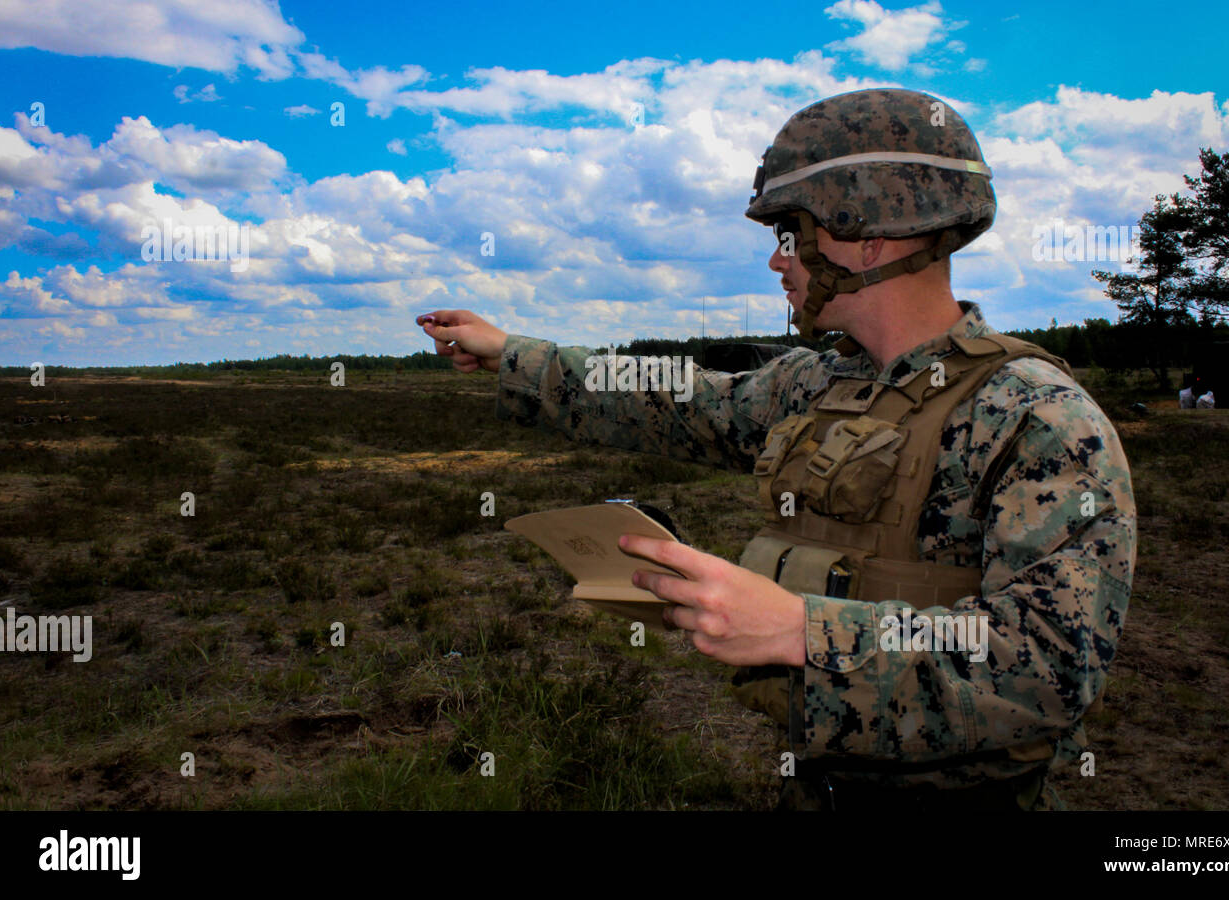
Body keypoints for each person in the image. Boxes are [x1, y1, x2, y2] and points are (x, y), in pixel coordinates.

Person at [418, 89, 1137, 811]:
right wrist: (514, 354)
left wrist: (800, 630)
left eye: (789, 236)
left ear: (865, 234)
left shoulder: (1036, 416)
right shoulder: (815, 384)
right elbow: (673, 398)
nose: (775, 261)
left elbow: (1049, 665)